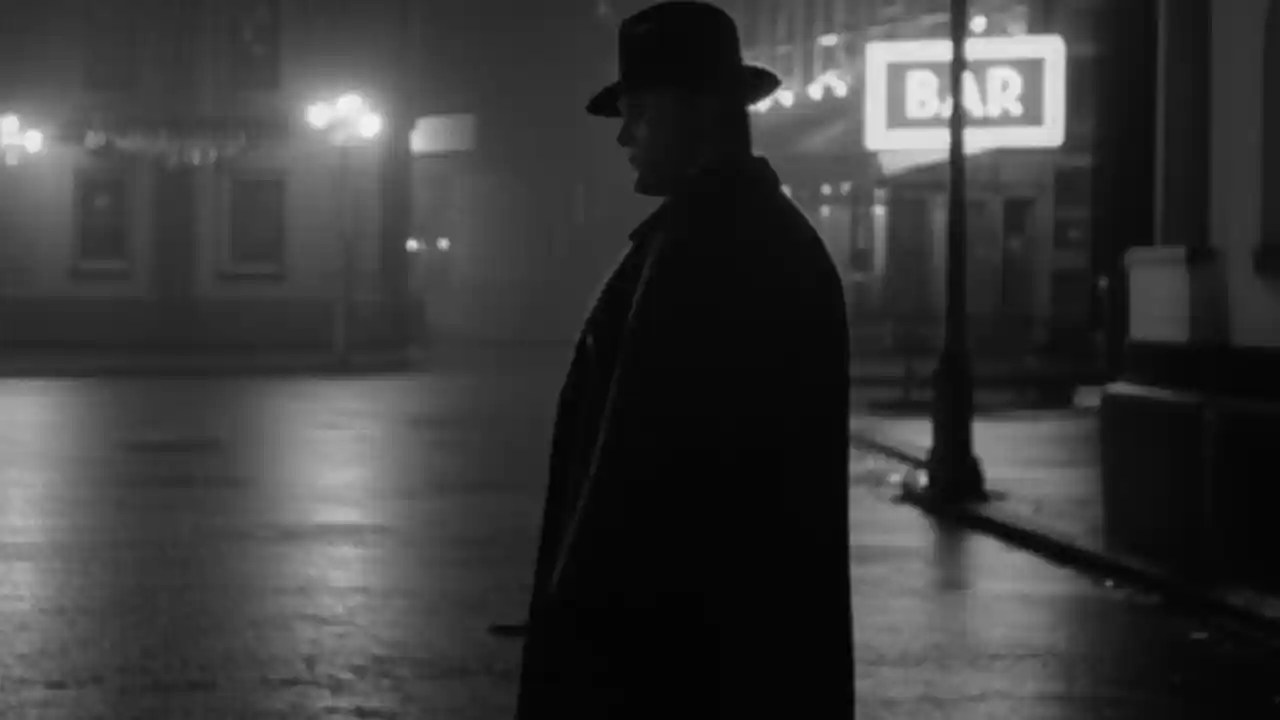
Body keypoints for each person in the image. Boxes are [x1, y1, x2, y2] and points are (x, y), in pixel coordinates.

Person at [514, 2, 854, 717]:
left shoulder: (705, 252)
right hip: (731, 660)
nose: (624, 137)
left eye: (638, 113)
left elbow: (637, 482)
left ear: (695, 110)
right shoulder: (744, 236)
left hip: (686, 672)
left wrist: (581, 638)